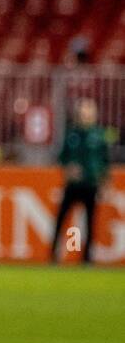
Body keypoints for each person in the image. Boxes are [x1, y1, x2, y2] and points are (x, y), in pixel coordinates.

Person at [51, 96, 111, 265]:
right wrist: (68, 168)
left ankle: (87, 258)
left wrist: (106, 183)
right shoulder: (72, 134)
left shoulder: (99, 135)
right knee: (61, 218)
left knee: (90, 222)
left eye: (88, 112)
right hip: (73, 185)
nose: (85, 115)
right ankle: (54, 254)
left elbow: (105, 161)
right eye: (83, 112)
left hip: (91, 185)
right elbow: (62, 157)